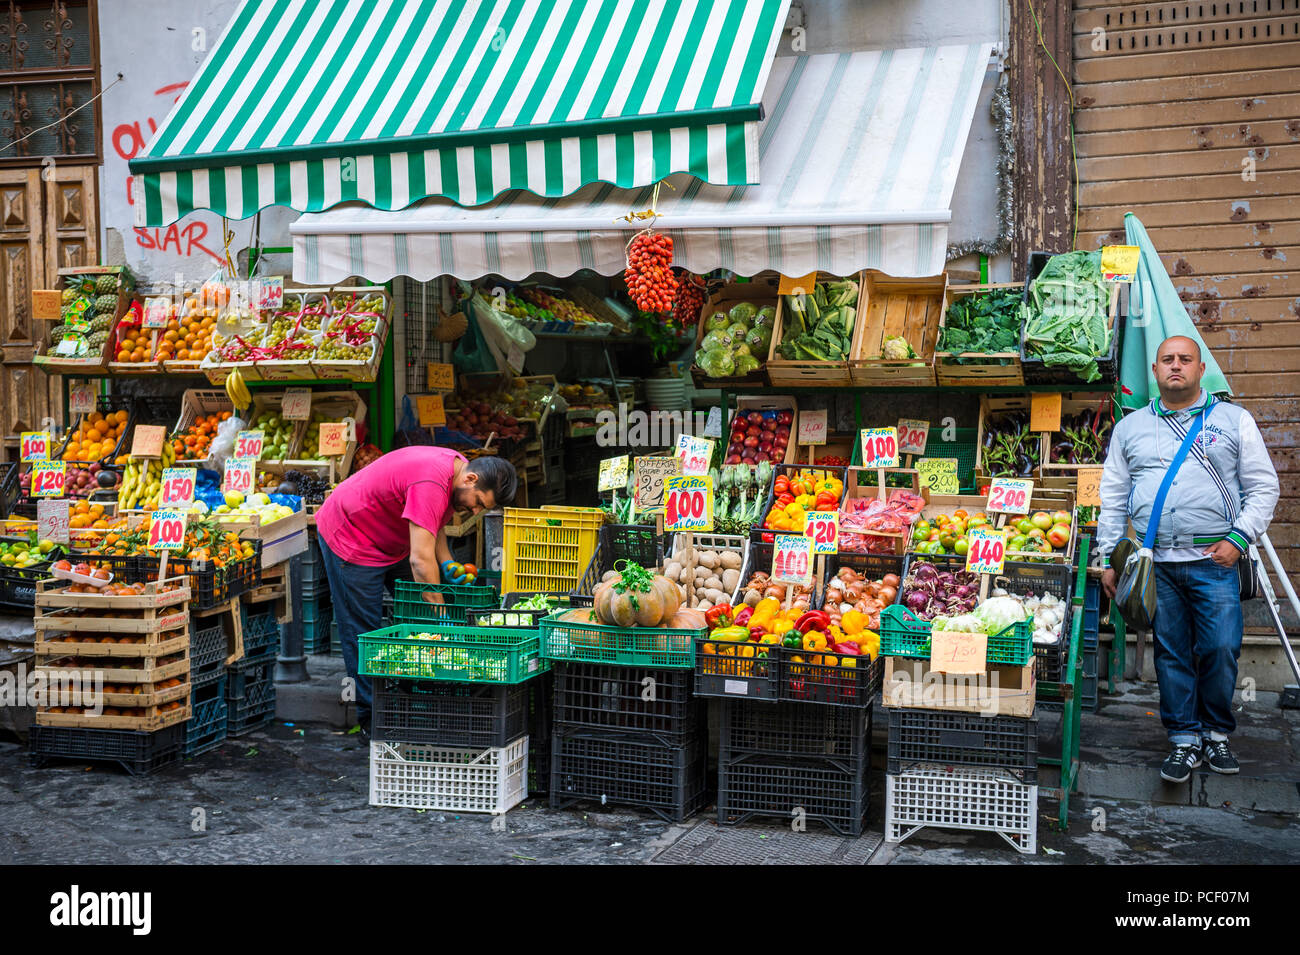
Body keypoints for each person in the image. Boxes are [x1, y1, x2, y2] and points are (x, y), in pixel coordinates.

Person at [1098, 335, 1278, 783]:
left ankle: (1216, 733)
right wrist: (1109, 558)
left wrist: (1239, 539)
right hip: (1156, 563)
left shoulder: (1233, 420)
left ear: (1201, 370)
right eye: (1167, 360)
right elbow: (1113, 498)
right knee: (1171, 653)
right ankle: (1183, 740)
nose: (1175, 366)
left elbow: (1263, 486)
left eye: (1185, 360)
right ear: (1155, 372)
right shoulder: (1130, 428)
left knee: (1220, 648)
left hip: (1214, 558)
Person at [315, 447, 517, 735]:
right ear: (471, 479)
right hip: (352, 535)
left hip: (391, 537)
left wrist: (447, 563)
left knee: (417, 615)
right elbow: (420, 561)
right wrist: (441, 615)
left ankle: (412, 701)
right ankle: (373, 723)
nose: (475, 511)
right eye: (477, 503)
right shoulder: (432, 481)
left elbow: (432, 526)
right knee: (364, 633)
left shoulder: (456, 471)